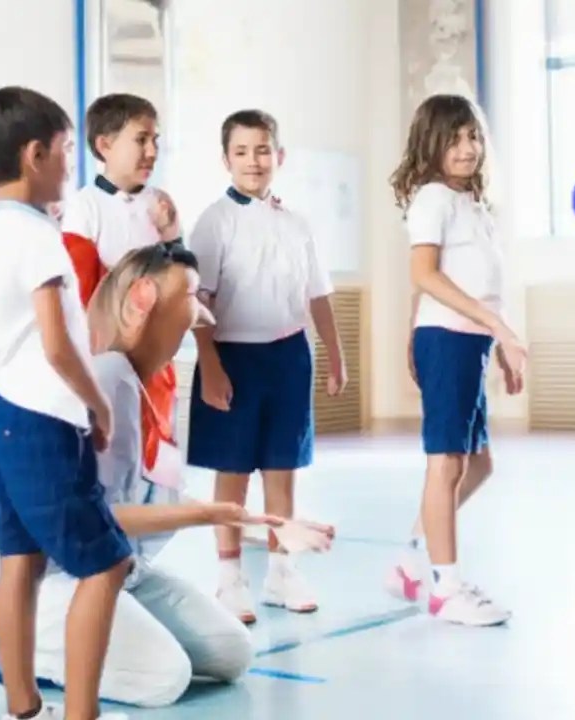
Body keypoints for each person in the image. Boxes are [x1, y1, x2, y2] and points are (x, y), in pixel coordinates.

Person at [0, 243, 335, 708]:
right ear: (143, 300)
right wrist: (211, 513)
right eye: (187, 294)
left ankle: (105, 640)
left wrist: (257, 520)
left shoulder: (143, 387)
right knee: (164, 679)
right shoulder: (106, 384)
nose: (198, 308)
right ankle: (15, 653)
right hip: (61, 578)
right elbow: (93, 517)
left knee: (231, 653)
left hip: (127, 572)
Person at [0, 85, 129, 720]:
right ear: (34, 155)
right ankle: (84, 713)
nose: (67, 165)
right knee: (108, 566)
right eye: (63, 152)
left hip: (3, 413)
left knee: (18, 563)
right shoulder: (37, 236)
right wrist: (98, 406)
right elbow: (57, 345)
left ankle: (23, 704)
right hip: (43, 420)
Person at [187, 109, 347, 624]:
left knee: (283, 468)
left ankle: (282, 569)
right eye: (241, 151)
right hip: (234, 356)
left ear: (278, 156)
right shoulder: (215, 221)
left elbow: (318, 295)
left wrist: (335, 353)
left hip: (288, 356)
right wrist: (210, 365)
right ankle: (230, 578)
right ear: (225, 159)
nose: (253, 161)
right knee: (231, 473)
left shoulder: (297, 223)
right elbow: (199, 301)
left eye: (262, 150)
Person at [384, 93, 527, 627]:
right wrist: (496, 329)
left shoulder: (473, 203)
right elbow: (424, 275)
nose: (467, 149)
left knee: (479, 464)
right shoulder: (433, 199)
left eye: (473, 136)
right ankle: (444, 587)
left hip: (471, 342)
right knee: (446, 464)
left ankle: (411, 559)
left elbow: (483, 282)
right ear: (431, 145)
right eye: (454, 139)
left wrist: (501, 344)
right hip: (448, 339)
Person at [59, 92, 183, 484]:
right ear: (105, 145)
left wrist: (172, 237)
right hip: (109, 355)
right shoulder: (84, 207)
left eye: (156, 141)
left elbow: (182, 280)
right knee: (111, 458)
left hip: (156, 359)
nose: (151, 151)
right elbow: (81, 293)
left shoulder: (161, 205)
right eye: (141, 139)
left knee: (157, 462)